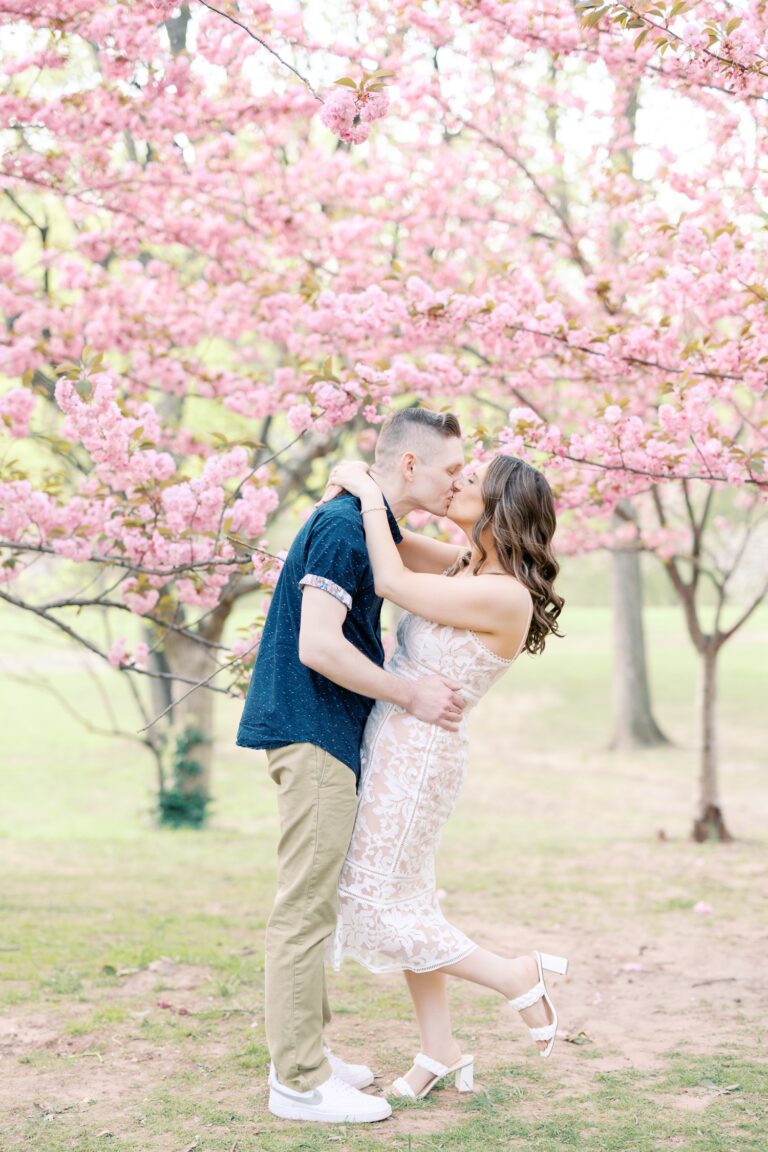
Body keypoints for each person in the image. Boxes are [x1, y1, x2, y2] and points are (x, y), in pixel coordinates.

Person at [236, 408, 474, 1124]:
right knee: (303, 909)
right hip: (310, 733)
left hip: (329, 734)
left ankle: (309, 1052)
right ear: (409, 465)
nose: (458, 480)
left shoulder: (371, 524)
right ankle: (299, 1082)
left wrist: (373, 493)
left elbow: (457, 562)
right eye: (450, 470)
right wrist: (413, 694)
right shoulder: (344, 528)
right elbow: (318, 645)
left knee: (316, 904)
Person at [323, 453, 567, 1101]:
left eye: (470, 482)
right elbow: (396, 542)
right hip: (396, 738)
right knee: (407, 901)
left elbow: (392, 579)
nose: (456, 483)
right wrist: (369, 486)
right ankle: (440, 1049)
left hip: (420, 755)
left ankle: (514, 974)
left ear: (500, 510)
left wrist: (366, 490)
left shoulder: (503, 593)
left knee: (373, 904)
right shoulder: (466, 566)